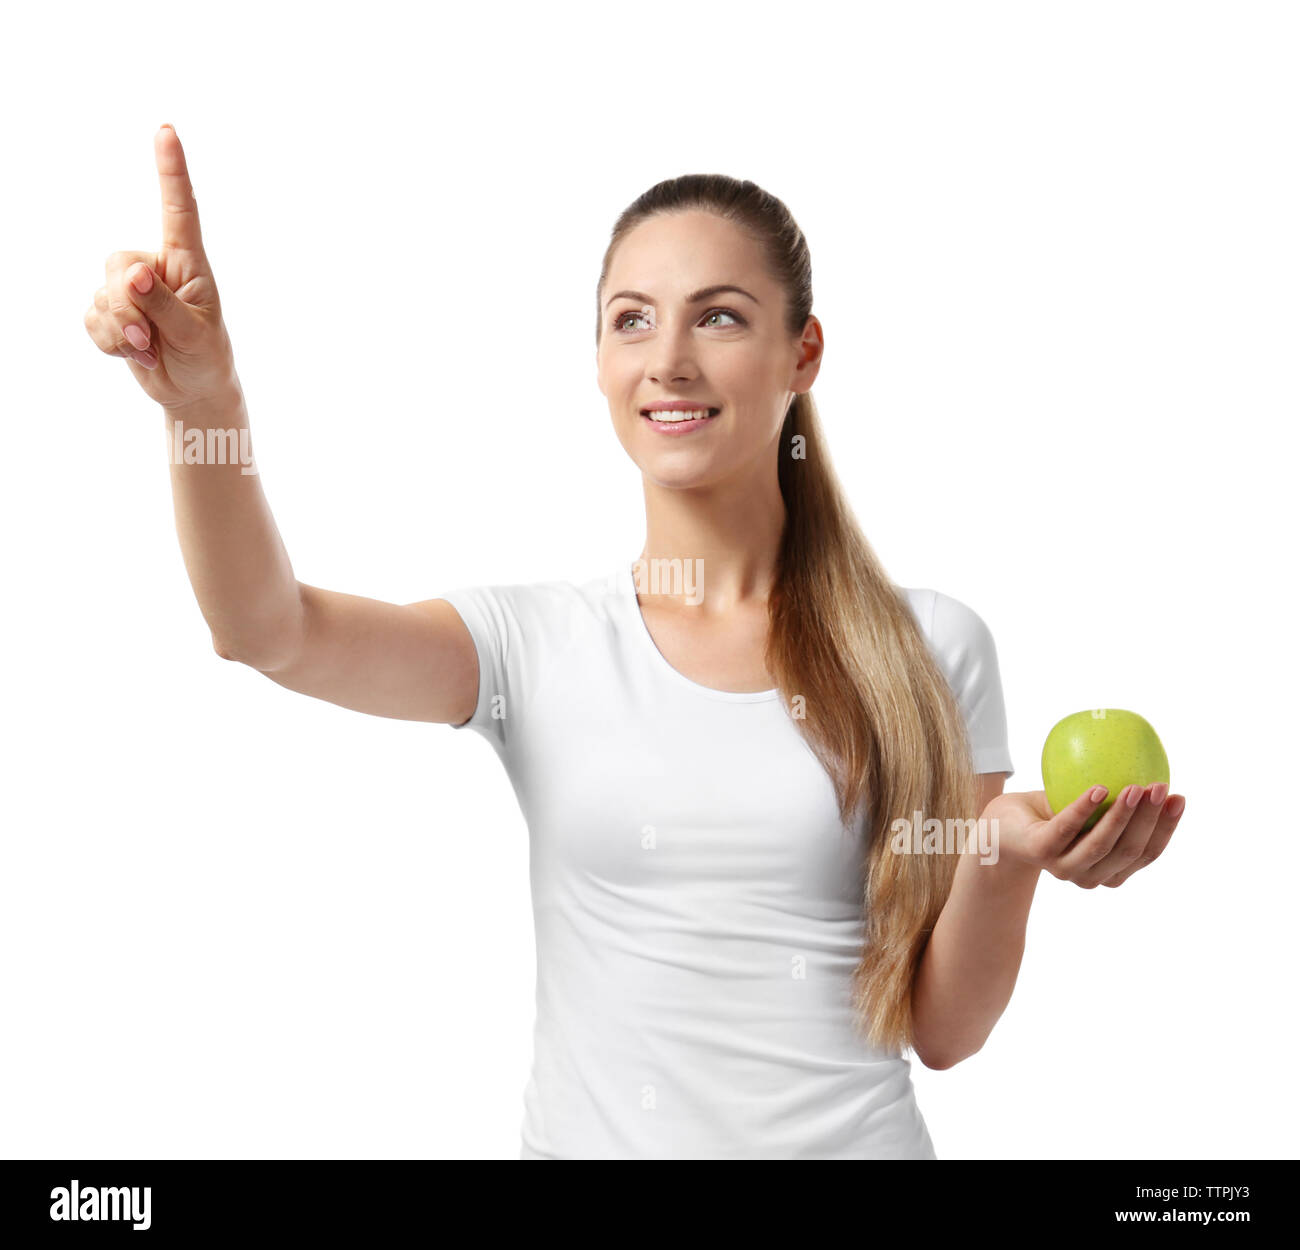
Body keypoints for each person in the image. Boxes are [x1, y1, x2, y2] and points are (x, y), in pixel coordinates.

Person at [84, 125, 1188, 1161]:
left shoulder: (932, 644)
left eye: (718, 316)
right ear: (599, 358)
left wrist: (1003, 853)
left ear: (801, 352)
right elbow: (266, 628)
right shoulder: (535, 645)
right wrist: (203, 404)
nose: (667, 359)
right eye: (630, 318)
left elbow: (943, 1028)